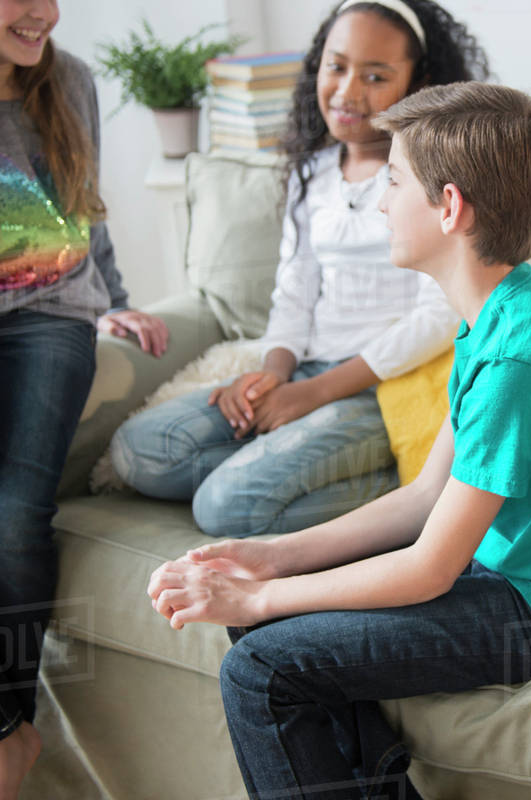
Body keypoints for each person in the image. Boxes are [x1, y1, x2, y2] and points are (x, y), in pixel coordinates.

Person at [146, 81, 531, 799]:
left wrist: (265, 597)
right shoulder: (495, 313)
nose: (382, 201)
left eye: (393, 182)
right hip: (523, 568)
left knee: (260, 668)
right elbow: (425, 496)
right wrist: (269, 560)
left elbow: (429, 568)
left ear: (449, 207)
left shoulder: (520, 356)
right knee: (261, 627)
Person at [111, 0, 488, 537]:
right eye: (336, 67)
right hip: (306, 368)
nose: (348, 91)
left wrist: (315, 394)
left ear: (420, 81)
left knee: (224, 507)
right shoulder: (312, 173)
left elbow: (437, 317)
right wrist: (274, 373)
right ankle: (278, 466)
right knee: (138, 451)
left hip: (382, 387)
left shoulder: (433, 180)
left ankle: (409, 490)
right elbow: (294, 289)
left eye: (376, 75)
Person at [0, 0, 171, 796]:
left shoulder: (69, 81)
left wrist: (116, 298)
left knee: (14, 514)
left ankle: (8, 730)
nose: (46, 13)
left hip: (50, 318)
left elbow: (84, 209)